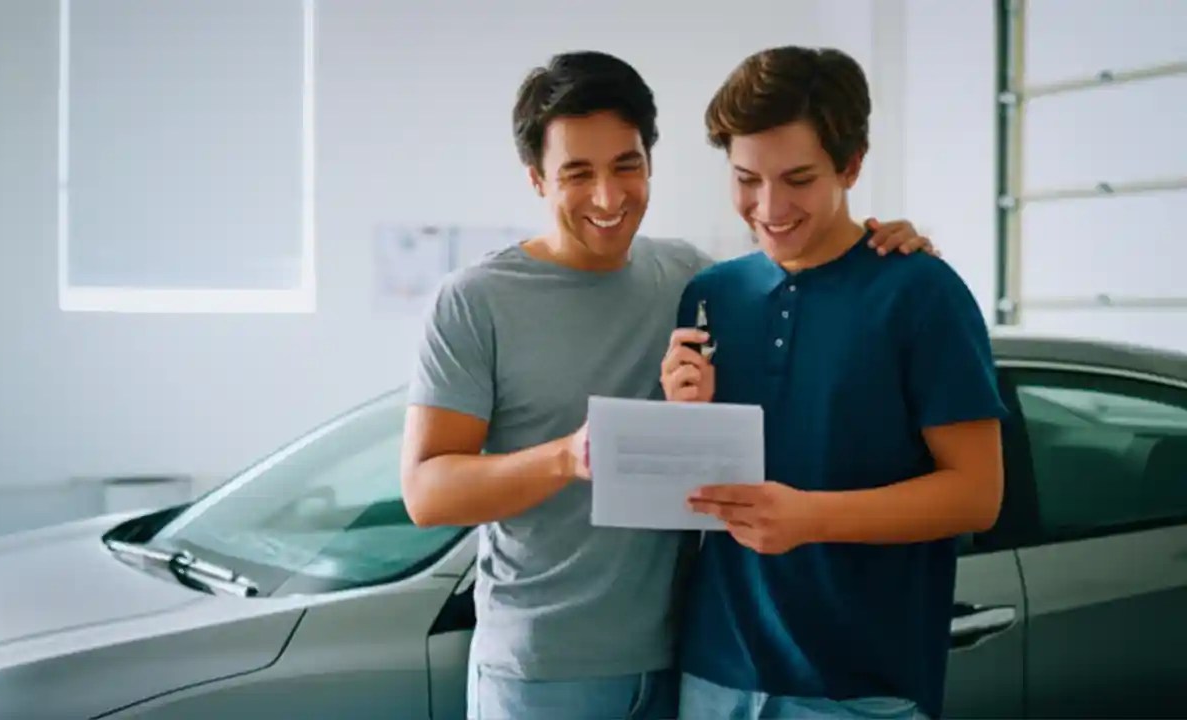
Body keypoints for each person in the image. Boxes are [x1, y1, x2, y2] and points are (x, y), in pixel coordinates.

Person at [400, 50, 934, 720]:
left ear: (651, 162)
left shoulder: (692, 280)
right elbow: (426, 492)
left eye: (626, 165)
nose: (608, 196)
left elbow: (801, 264)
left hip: (682, 664)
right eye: (578, 173)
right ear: (537, 178)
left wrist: (891, 242)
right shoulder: (474, 300)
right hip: (541, 671)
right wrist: (568, 457)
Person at [660, 46, 1007, 720]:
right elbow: (696, 498)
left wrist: (813, 517)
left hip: (860, 688)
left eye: (798, 178)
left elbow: (977, 494)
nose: (769, 207)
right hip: (713, 676)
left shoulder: (921, 293)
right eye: (745, 179)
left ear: (851, 165)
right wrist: (684, 417)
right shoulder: (709, 296)